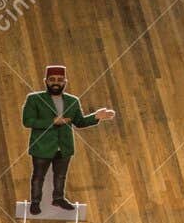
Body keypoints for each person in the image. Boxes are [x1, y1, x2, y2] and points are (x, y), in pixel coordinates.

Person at [21, 65, 114, 214]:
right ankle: (35, 202)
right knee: (38, 177)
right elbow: (28, 121)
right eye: (52, 80)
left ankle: (58, 198)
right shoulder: (34, 99)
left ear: (65, 82)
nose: (56, 83)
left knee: (61, 176)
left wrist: (96, 117)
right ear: (46, 81)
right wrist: (52, 122)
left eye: (60, 80)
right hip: (42, 147)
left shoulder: (73, 101)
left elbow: (79, 122)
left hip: (64, 147)